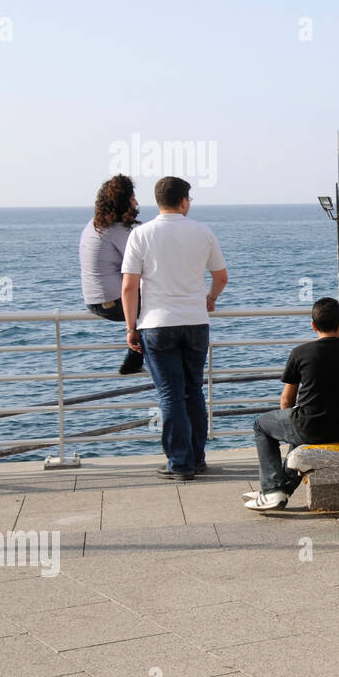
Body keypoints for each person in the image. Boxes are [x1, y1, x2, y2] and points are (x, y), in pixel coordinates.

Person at [120, 176, 228, 481]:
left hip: (156, 324)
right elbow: (221, 277)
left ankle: (179, 464)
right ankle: (197, 458)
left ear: (158, 201)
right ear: (184, 201)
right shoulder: (203, 232)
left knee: (170, 394)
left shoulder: (141, 235)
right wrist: (210, 298)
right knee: (194, 389)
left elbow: (129, 287)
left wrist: (131, 327)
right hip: (195, 322)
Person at [244, 298, 339, 510]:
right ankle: (280, 490)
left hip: (309, 425)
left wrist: (287, 421)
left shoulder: (300, 353)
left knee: (261, 425)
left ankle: (272, 489)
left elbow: (287, 399)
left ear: (313, 326)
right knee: (298, 429)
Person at [79, 174, 145, 375]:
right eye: (133, 199)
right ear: (123, 203)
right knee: (162, 300)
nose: (137, 203)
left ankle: (137, 360)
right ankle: (140, 361)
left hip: (93, 302)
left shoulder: (94, 225)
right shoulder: (118, 231)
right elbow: (144, 265)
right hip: (112, 304)